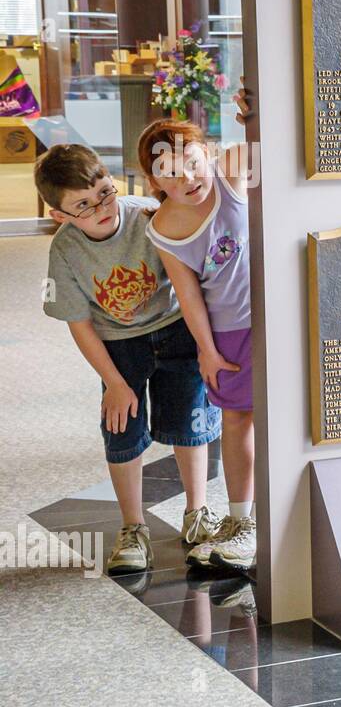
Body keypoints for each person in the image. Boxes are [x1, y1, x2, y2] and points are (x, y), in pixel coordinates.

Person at [37, 145, 224, 574]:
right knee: (122, 427)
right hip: (118, 343)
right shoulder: (65, 251)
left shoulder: (147, 217)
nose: (100, 207)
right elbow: (78, 322)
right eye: (82, 205)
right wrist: (114, 382)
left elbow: (191, 279)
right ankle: (133, 527)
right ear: (61, 215)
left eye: (104, 192)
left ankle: (197, 513)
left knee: (191, 420)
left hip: (175, 327)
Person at [139, 110, 255, 572]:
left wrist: (253, 115)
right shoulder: (163, 228)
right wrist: (207, 350)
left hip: (281, 316)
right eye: (169, 172)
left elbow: (270, 137)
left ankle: (278, 519)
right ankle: (241, 520)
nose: (187, 177)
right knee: (237, 419)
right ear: (154, 182)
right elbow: (188, 296)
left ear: (206, 152)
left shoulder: (230, 174)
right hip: (229, 331)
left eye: (191, 160)